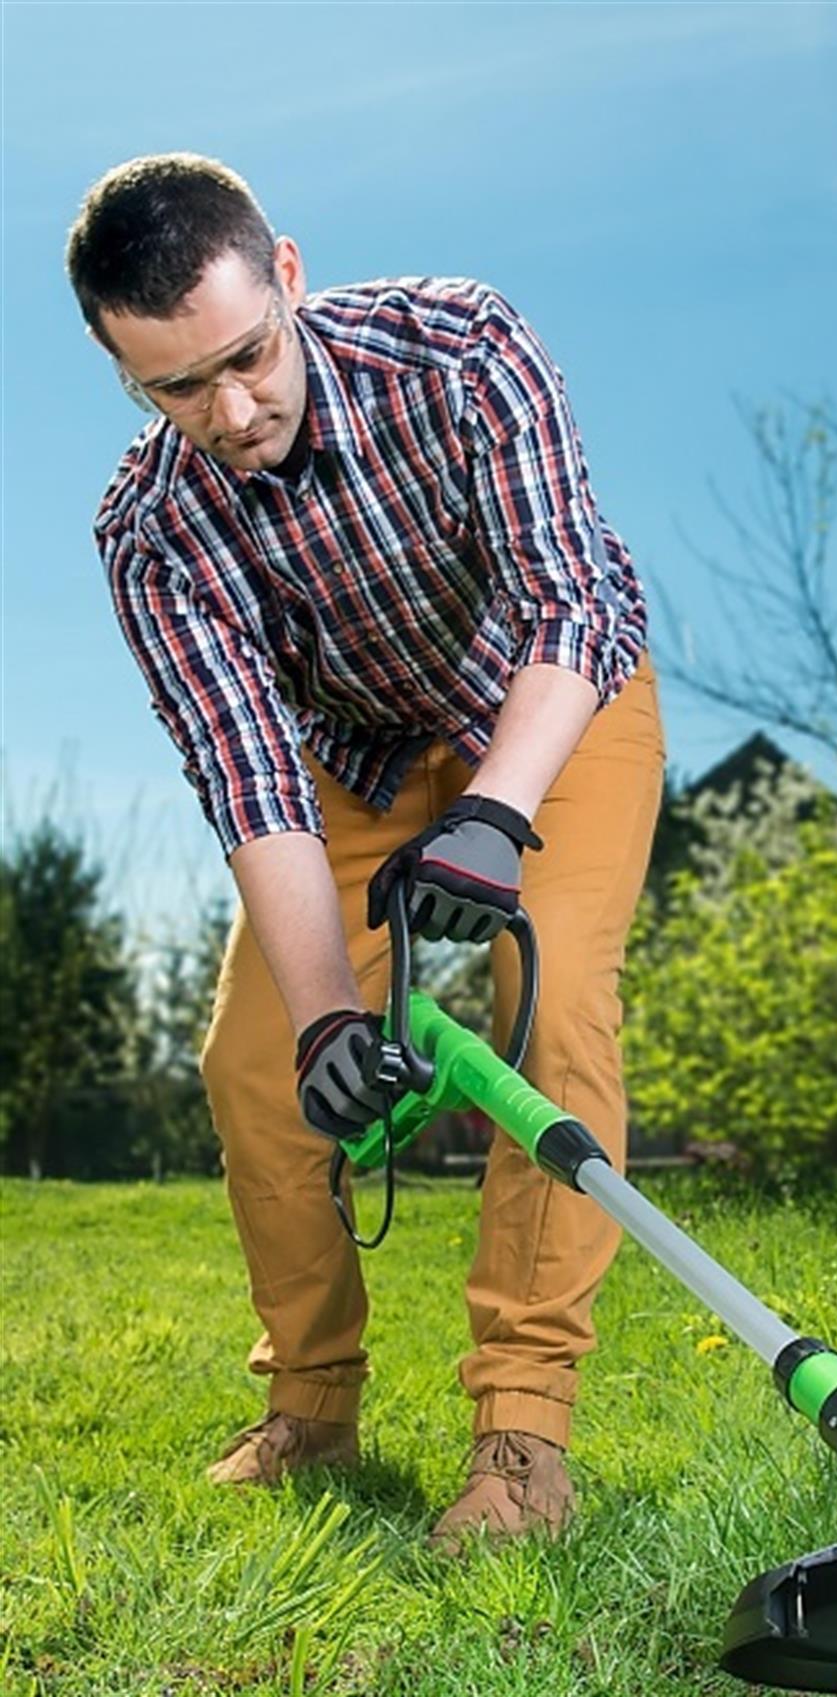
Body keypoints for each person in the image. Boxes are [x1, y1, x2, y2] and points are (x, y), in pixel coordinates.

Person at [66, 153, 664, 1549]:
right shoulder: (149, 532)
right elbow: (246, 772)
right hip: (353, 770)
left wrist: (498, 814)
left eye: (247, 360)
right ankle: (312, 1402)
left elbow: (569, 598)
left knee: (555, 993)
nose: (229, 411)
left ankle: (522, 1437)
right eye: (173, 388)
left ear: (289, 276)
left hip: (554, 705)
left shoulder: (460, 349)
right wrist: (332, 1007)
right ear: (121, 371)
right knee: (256, 1055)